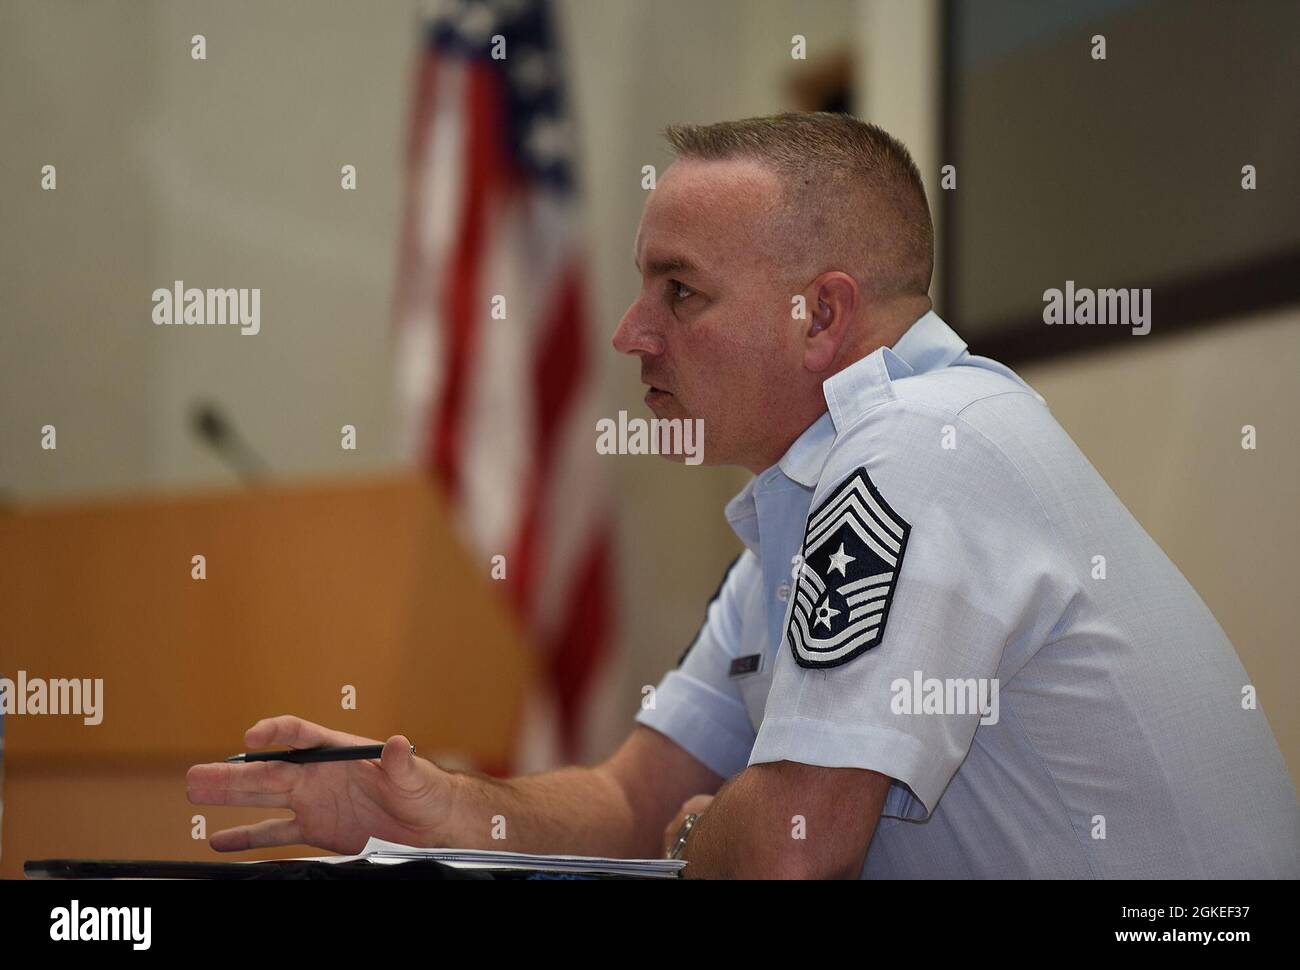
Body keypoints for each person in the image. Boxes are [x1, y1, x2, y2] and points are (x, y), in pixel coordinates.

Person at [187, 112, 1298, 878]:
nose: (630, 333)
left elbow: (791, 845)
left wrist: (701, 837)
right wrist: (438, 811)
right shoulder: (807, 500)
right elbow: (636, 799)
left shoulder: (920, 447)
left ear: (822, 314)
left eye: (680, 290)